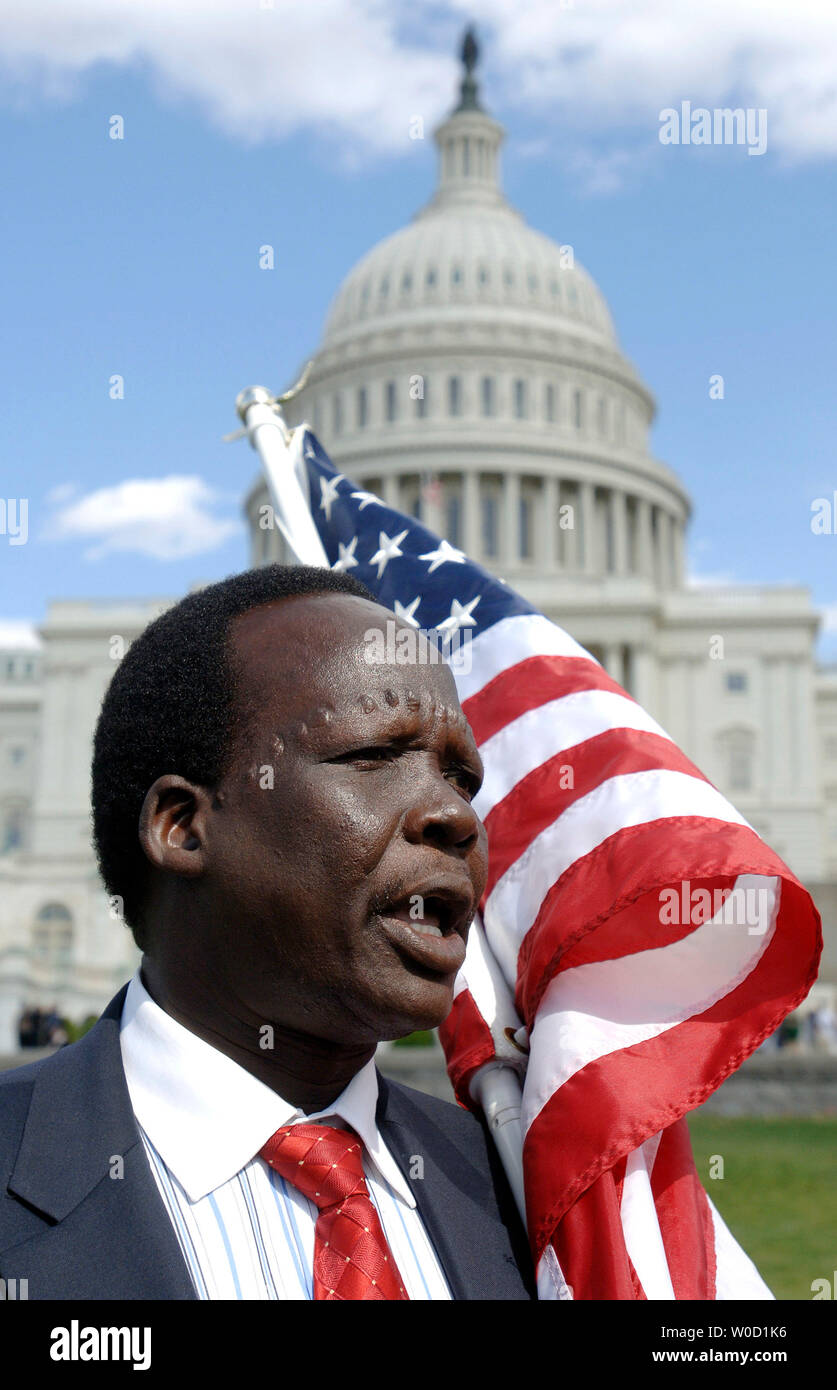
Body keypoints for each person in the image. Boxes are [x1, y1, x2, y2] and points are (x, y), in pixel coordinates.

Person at [0, 565, 534, 1300]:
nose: (457, 816)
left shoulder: (517, 1188)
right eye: (372, 756)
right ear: (182, 827)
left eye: (461, 778)